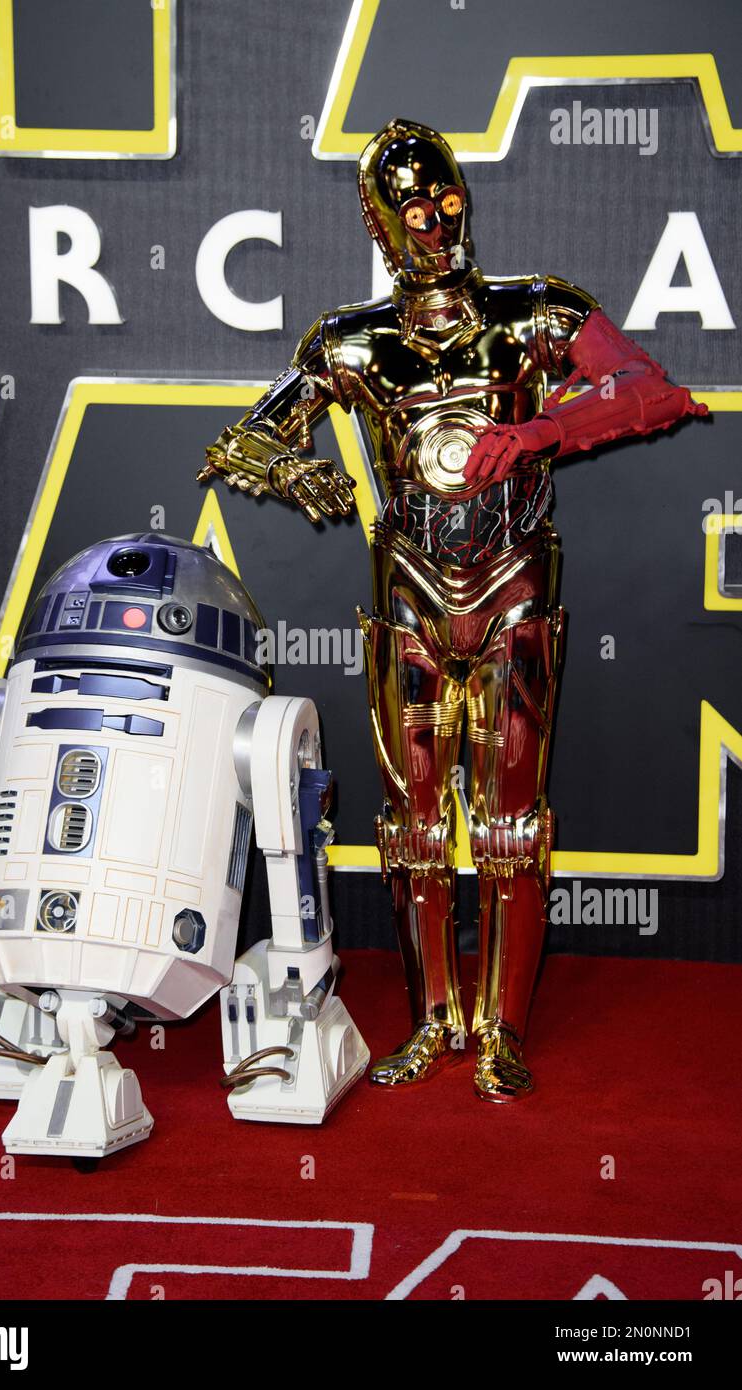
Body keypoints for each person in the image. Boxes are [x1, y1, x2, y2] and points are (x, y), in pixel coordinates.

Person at [199, 118, 705, 1102]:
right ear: (379, 223)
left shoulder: (530, 314)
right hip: (410, 597)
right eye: (411, 206)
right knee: (415, 827)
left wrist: (543, 431)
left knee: (512, 821)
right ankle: (436, 1019)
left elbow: (653, 390)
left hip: (514, 578)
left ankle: (502, 1031)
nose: (434, 220)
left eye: (444, 195)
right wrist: (295, 468)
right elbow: (242, 440)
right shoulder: (353, 342)